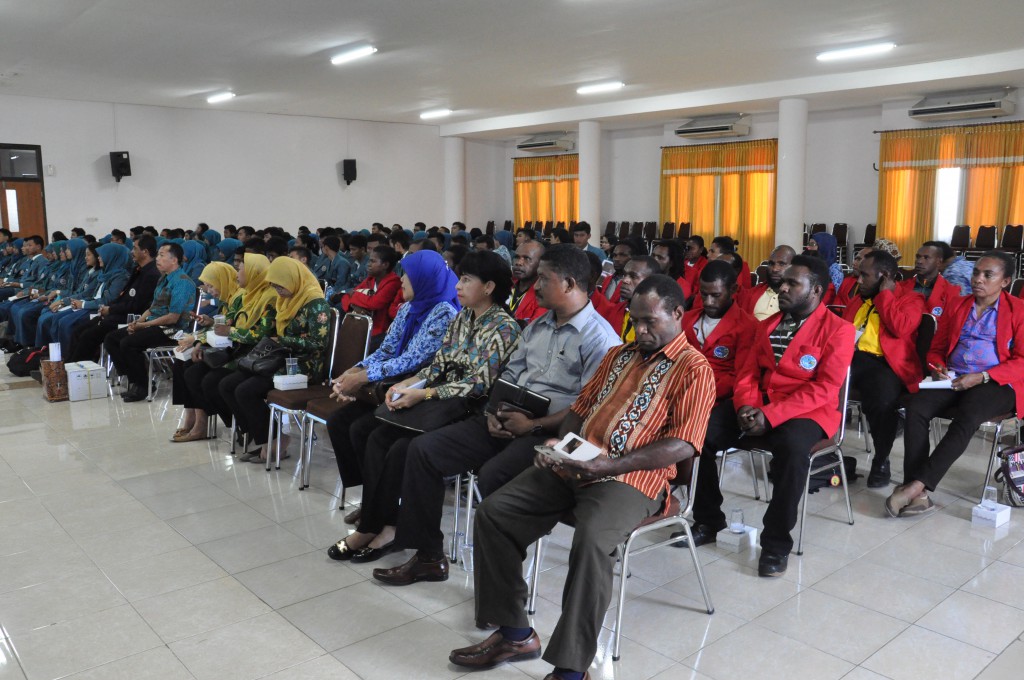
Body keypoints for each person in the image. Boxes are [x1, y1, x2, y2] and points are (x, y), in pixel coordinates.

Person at [448, 274, 715, 680]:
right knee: (495, 513)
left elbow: (683, 444)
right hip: (579, 462)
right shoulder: (619, 356)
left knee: (591, 542)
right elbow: (581, 407)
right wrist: (559, 442)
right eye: (635, 320)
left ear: (677, 314)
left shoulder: (694, 369)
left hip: (634, 479)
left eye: (650, 322)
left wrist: (608, 466)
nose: (640, 330)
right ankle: (515, 633)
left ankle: (571, 670)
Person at [368, 245, 621, 585]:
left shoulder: (600, 339)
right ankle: (428, 555)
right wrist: (493, 412)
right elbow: (508, 376)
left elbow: (586, 408)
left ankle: (504, 579)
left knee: (493, 476)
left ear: (570, 283)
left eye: (544, 279)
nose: (535, 286)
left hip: (549, 430)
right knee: (423, 451)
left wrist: (531, 424)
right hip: (505, 416)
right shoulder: (537, 327)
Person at [328, 253, 520, 564]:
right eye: (458, 279)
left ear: (488, 287)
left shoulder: (503, 328)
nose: (458, 286)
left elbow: (478, 384)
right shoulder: (463, 318)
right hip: (440, 402)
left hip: (468, 409)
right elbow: (437, 365)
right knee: (376, 436)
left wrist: (424, 394)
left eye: (466, 280)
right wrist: (409, 385)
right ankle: (374, 525)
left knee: (404, 447)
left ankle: (389, 529)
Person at [685, 256, 854, 575]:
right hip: (758, 406)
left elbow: (826, 388)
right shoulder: (766, 325)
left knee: (792, 452)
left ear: (815, 290)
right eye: (783, 281)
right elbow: (746, 373)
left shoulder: (838, 330)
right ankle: (709, 520)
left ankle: (776, 543)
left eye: (793, 283)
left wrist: (770, 415)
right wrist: (746, 406)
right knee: (701, 434)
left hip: (807, 411)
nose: (783, 287)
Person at [890, 252, 1024, 517]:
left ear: (1005, 281)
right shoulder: (958, 305)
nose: (978, 279)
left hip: (997, 382)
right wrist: (938, 367)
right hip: (955, 376)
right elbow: (937, 348)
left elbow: (1022, 360)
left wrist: (982, 376)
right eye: (976, 273)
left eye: (988, 275)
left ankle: (916, 485)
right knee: (916, 408)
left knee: (968, 414)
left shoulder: (1019, 311)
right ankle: (921, 495)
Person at [325, 250, 460, 499]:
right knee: (338, 422)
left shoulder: (444, 314)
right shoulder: (409, 308)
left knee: (362, 429)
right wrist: (355, 370)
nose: (401, 280)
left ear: (423, 279)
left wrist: (363, 378)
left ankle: (378, 502)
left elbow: (413, 360)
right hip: (390, 384)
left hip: (417, 389)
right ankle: (369, 494)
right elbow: (387, 349)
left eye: (407, 275)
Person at [672, 260, 759, 545]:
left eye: (716, 295)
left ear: (733, 290)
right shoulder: (687, 319)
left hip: (723, 400)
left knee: (700, 436)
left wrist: (699, 390)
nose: (708, 301)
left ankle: (709, 519)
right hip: (683, 392)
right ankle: (655, 499)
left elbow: (742, 376)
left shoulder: (747, 326)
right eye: (703, 293)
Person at [220, 257, 330, 462]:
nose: (276, 289)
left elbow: (319, 344)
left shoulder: (315, 304)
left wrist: (282, 339)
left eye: (280, 284)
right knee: (228, 384)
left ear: (293, 279)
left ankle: (276, 441)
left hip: (304, 365)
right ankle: (259, 435)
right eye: (273, 284)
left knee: (246, 391)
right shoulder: (285, 299)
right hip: (282, 358)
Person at [173, 255, 278, 446]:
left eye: (241, 269)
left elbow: (257, 334)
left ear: (254, 272)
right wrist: (204, 335)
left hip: (252, 356)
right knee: (185, 367)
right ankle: (221, 422)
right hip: (237, 350)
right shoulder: (247, 295)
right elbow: (229, 325)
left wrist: (200, 338)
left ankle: (240, 426)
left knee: (207, 379)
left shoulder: (264, 297)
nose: (237, 274)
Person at [843, 250, 925, 488]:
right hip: (851, 358)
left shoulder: (911, 299)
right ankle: (817, 452)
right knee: (817, 384)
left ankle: (881, 459)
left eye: (865, 276)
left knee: (881, 400)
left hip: (885, 364)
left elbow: (900, 328)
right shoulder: (859, 299)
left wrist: (885, 295)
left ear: (885, 276)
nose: (859, 281)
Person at [103, 242, 197, 402]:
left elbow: (173, 317)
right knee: (111, 339)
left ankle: (142, 386)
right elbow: (153, 308)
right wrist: (137, 323)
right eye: (158, 254)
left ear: (174, 260)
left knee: (128, 343)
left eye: (161, 255)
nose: (157, 259)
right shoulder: (164, 279)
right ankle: (136, 380)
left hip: (173, 330)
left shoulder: (183, 282)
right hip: (154, 324)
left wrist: (143, 325)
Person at [67, 237, 160, 362]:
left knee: (89, 335)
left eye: (135, 248)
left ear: (145, 252)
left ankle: (81, 373)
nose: (131, 251)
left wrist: (111, 309)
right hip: (119, 312)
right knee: (79, 331)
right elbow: (122, 297)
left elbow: (137, 305)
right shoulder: (138, 270)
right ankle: (70, 368)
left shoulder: (151, 274)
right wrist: (109, 308)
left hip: (132, 317)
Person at [899, 241, 959, 318]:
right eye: (918, 257)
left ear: (939, 262)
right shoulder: (902, 287)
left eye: (926, 257)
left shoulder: (951, 291)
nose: (919, 261)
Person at [607, 255, 659, 343]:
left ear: (651, 281)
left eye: (633, 277)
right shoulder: (616, 310)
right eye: (624, 275)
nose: (625, 280)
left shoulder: (658, 318)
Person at [737, 245, 795, 320]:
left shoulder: (798, 298)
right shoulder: (752, 294)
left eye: (781, 264)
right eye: (771, 263)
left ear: (794, 267)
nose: (774, 269)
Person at [509, 240, 547, 325]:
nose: (519, 263)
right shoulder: (505, 284)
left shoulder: (545, 295)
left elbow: (533, 331)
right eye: (516, 257)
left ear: (541, 263)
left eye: (527, 258)